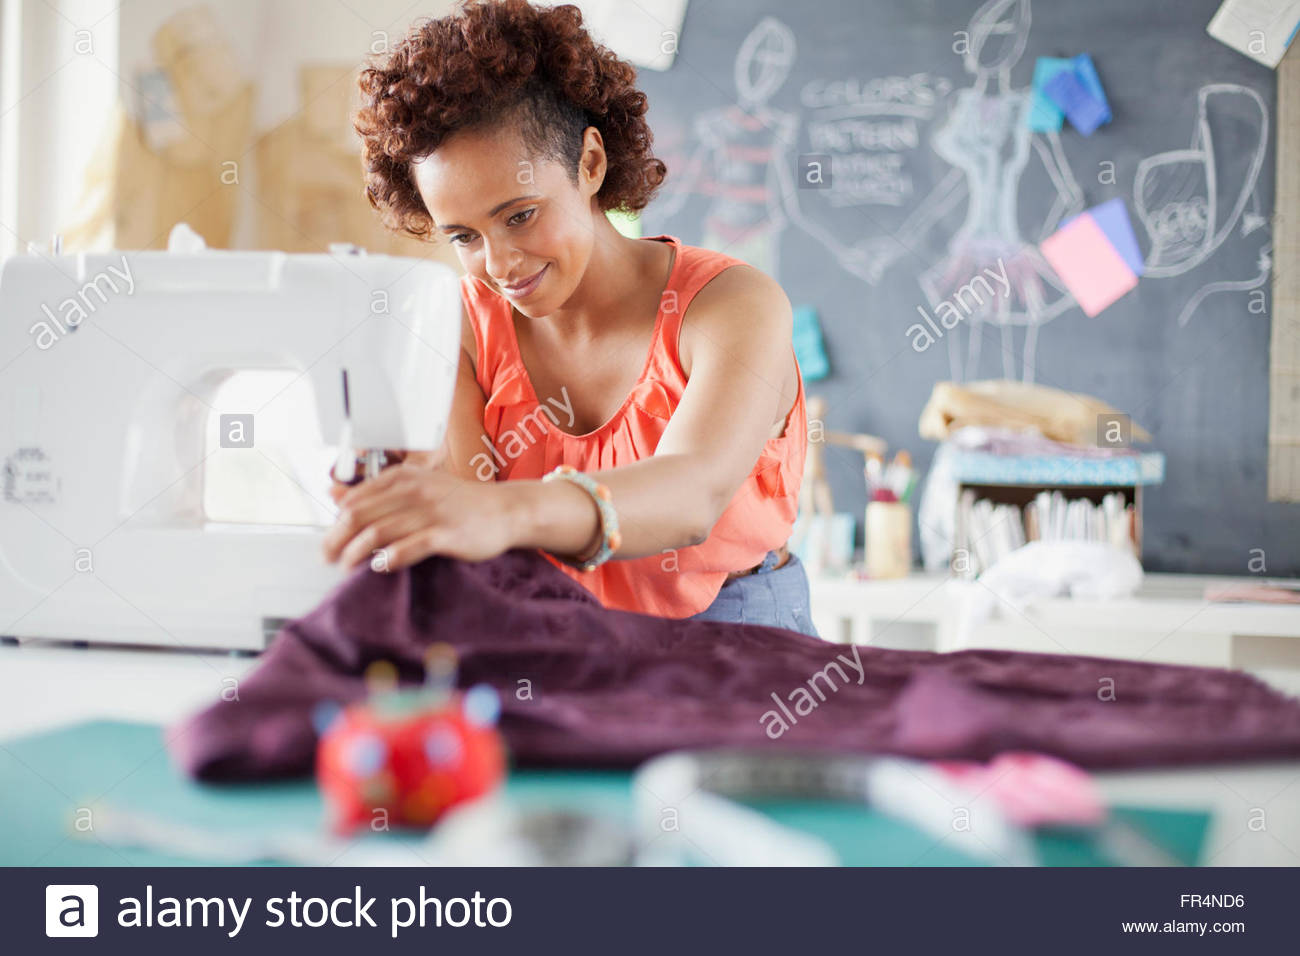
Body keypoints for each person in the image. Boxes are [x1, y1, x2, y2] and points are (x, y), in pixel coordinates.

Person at [323, 0, 814, 636]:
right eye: (463, 236)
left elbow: (691, 496)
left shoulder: (730, 306)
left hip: (739, 631)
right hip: (547, 627)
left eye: (520, 215)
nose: (499, 263)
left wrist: (502, 511)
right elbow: (466, 523)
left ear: (590, 163)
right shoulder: (463, 328)